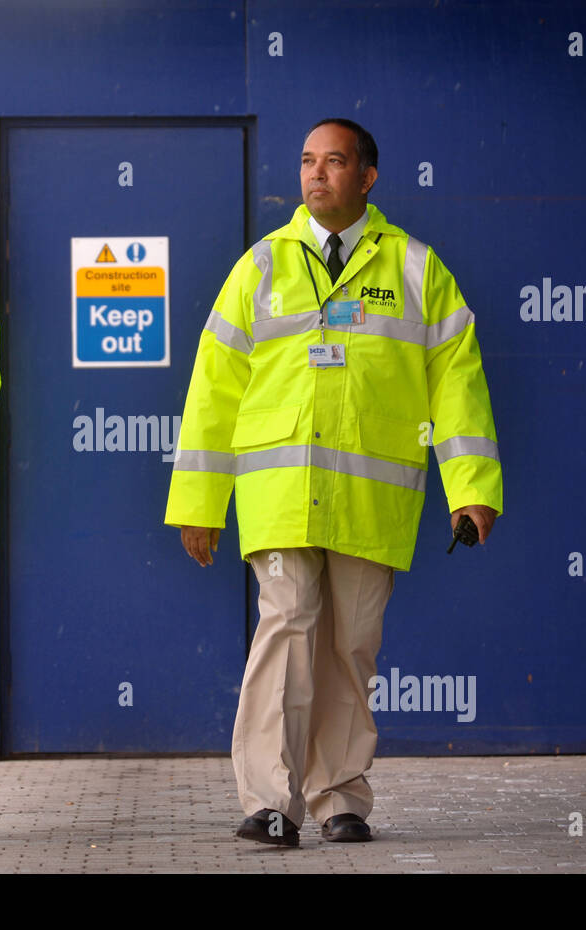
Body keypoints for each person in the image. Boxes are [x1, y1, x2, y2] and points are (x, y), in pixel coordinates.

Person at [165, 118, 502, 847]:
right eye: (308, 162)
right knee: (286, 627)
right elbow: (212, 391)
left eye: (335, 162)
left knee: (350, 647)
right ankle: (267, 801)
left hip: (368, 499)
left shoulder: (415, 271)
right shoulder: (260, 268)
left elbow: (457, 386)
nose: (317, 174)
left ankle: (339, 796)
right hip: (278, 497)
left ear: (368, 176)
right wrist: (199, 502)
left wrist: (470, 485)